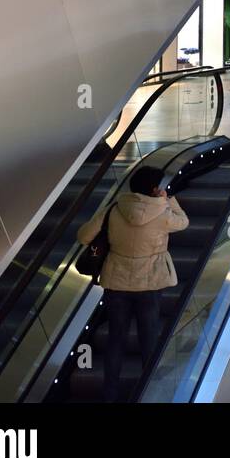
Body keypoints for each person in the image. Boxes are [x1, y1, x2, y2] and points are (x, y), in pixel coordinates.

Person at [76, 164, 188, 402]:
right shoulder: (164, 213)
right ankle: (150, 392)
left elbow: (84, 236)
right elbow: (184, 222)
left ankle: (110, 394)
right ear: (156, 189)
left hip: (117, 283)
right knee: (149, 339)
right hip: (149, 284)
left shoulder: (114, 208)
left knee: (116, 339)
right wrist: (170, 199)